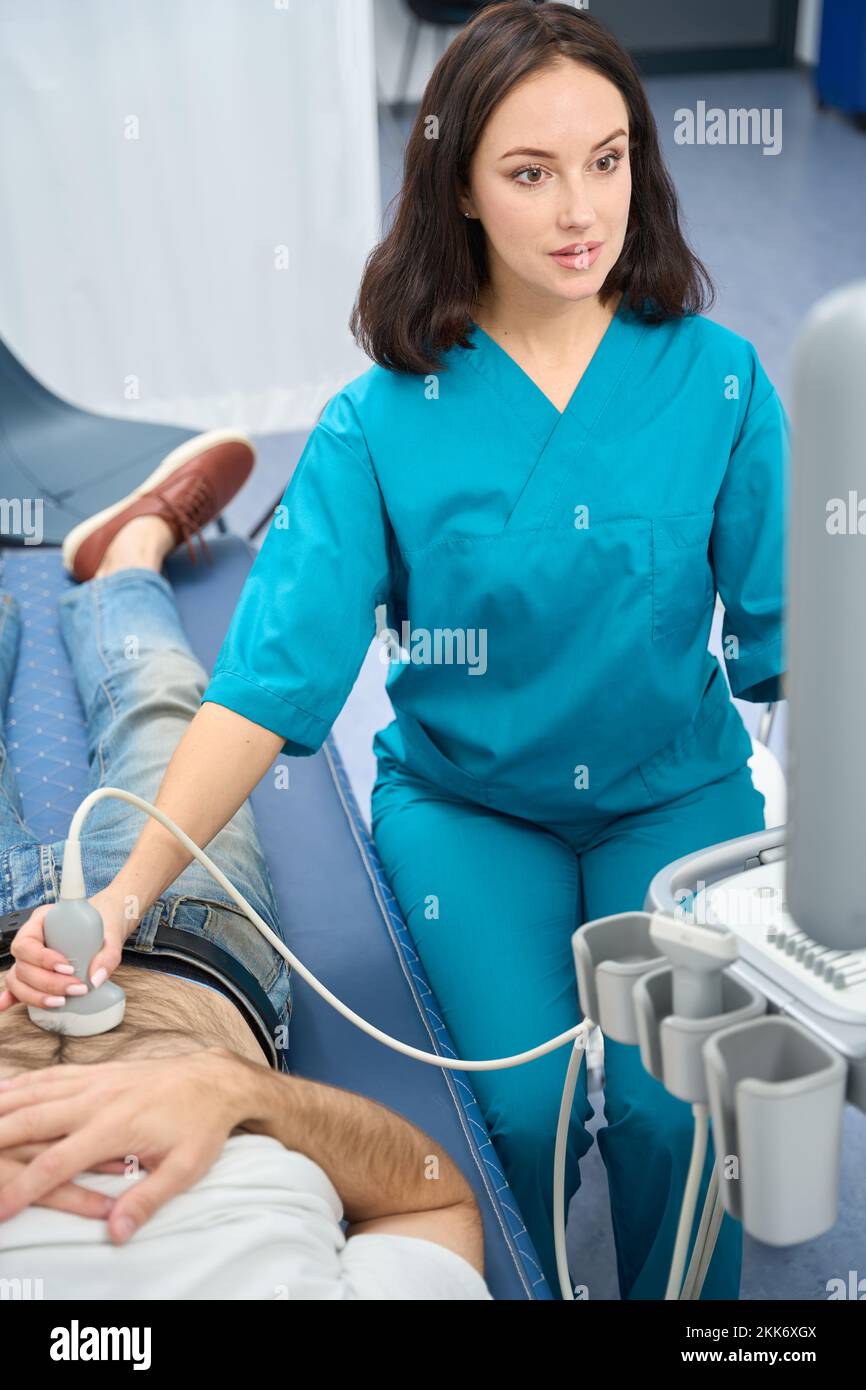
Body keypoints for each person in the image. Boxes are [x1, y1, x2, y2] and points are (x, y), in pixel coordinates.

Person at [4, 1, 789, 1298]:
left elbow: (790, 651)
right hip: (472, 811)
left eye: (606, 159)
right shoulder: (381, 421)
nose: (581, 207)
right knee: (523, 1111)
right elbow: (259, 691)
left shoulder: (718, 379)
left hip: (679, 797)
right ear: (461, 189)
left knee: (671, 1108)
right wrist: (127, 894)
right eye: (530, 173)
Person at [0, 435, 489, 1300]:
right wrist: (237, 1094)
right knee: (160, 703)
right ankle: (130, 554)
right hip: (189, 951)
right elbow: (431, 1204)